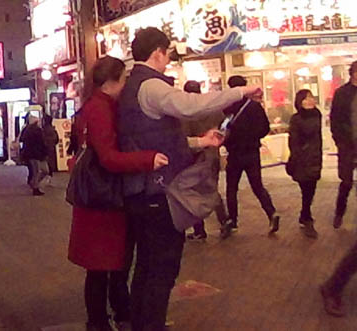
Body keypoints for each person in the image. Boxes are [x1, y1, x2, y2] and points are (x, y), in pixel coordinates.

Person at [118, 27, 256, 331]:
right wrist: (240, 92)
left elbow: (154, 138)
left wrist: (199, 142)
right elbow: (192, 106)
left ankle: (141, 324)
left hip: (140, 189)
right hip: (158, 192)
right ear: (158, 52)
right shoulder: (151, 85)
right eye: (167, 53)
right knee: (161, 269)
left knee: (147, 266)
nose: (168, 59)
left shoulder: (133, 85)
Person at [69, 56, 168, 331]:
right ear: (111, 82)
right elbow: (109, 157)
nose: (126, 84)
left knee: (109, 264)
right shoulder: (100, 108)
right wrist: (147, 159)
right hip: (102, 198)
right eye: (123, 79)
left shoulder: (98, 104)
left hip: (102, 196)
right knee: (101, 266)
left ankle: (117, 314)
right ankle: (99, 321)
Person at [223, 75, 279, 235]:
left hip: (235, 153)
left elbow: (223, 129)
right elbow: (265, 128)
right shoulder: (255, 106)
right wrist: (253, 137)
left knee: (231, 188)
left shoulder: (227, 107)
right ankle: (271, 213)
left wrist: (231, 140)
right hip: (252, 152)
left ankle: (232, 220)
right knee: (257, 186)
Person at [181, 81, 232, 241]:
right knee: (211, 189)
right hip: (213, 155)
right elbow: (226, 126)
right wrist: (220, 138)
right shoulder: (212, 108)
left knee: (195, 192)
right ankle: (223, 220)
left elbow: (185, 136)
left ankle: (201, 228)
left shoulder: (187, 112)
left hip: (197, 157)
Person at [287, 89, 322, 238]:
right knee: (306, 188)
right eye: (306, 99)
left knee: (311, 189)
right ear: (299, 102)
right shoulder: (297, 119)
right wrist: (296, 157)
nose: (310, 101)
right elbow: (293, 141)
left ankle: (305, 214)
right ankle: (306, 216)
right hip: (302, 158)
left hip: (315, 157)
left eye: (311, 97)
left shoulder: (317, 115)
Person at [330, 61, 357, 228]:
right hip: (347, 144)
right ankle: (339, 212)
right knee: (346, 182)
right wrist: (339, 140)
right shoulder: (342, 93)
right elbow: (335, 119)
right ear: (352, 73)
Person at [20, 114, 49, 196]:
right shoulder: (37, 131)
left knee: (36, 171)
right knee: (39, 171)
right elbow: (42, 143)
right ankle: (35, 187)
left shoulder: (26, 130)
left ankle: (34, 184)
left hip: (31, 154)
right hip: (37, 154)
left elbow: (22, 140)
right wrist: (45, 151)